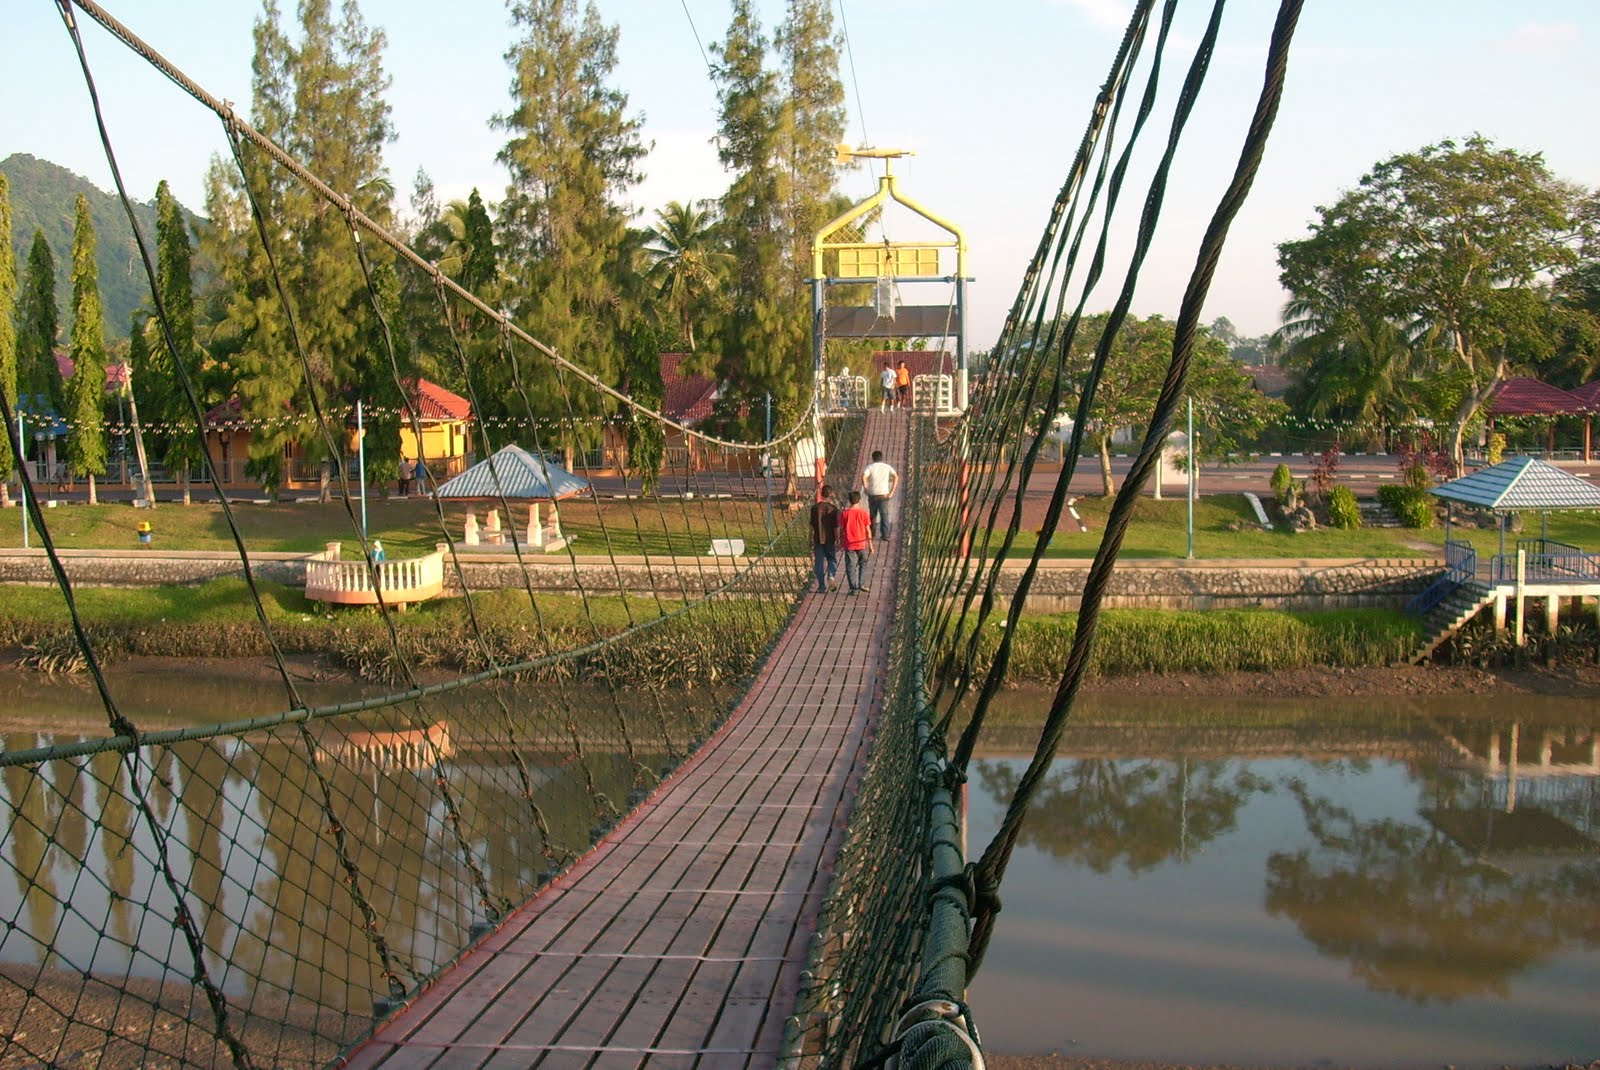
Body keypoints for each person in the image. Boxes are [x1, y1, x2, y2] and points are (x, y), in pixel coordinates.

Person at [839, 489, 874, 594]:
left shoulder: (844, 514)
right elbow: (868, 530)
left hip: (849, 544)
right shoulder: (864, 514)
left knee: (850, 566)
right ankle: (861, 583)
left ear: (849, 501)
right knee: (863, 563)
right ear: (859, 500)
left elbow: (841, 529)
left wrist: (840, 541)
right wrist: (871, 545)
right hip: (861, 543)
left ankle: (854, 588)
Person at [861, 448, 899, 542]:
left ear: (873, 458)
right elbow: (895, 476)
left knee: (872, 516)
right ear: (882, 458)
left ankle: (871, 534)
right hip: (884, 495)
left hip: (873, 494)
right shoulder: (887, 467)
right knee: (884, 515)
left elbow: (863, 476)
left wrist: (866, 488)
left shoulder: (870, 467)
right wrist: (892, 491)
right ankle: (885, 535)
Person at [809, 484, 839, 593]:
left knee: (819, 562)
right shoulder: (833, 509)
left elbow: (811, 526)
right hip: (830, 539)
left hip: (818, 539)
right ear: (831, 494)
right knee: (832, 559)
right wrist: (838, 539)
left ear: (821, 494)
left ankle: (821, 586)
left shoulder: (814, 508)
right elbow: (836, 527)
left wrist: (809, 539)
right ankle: (831, 575)